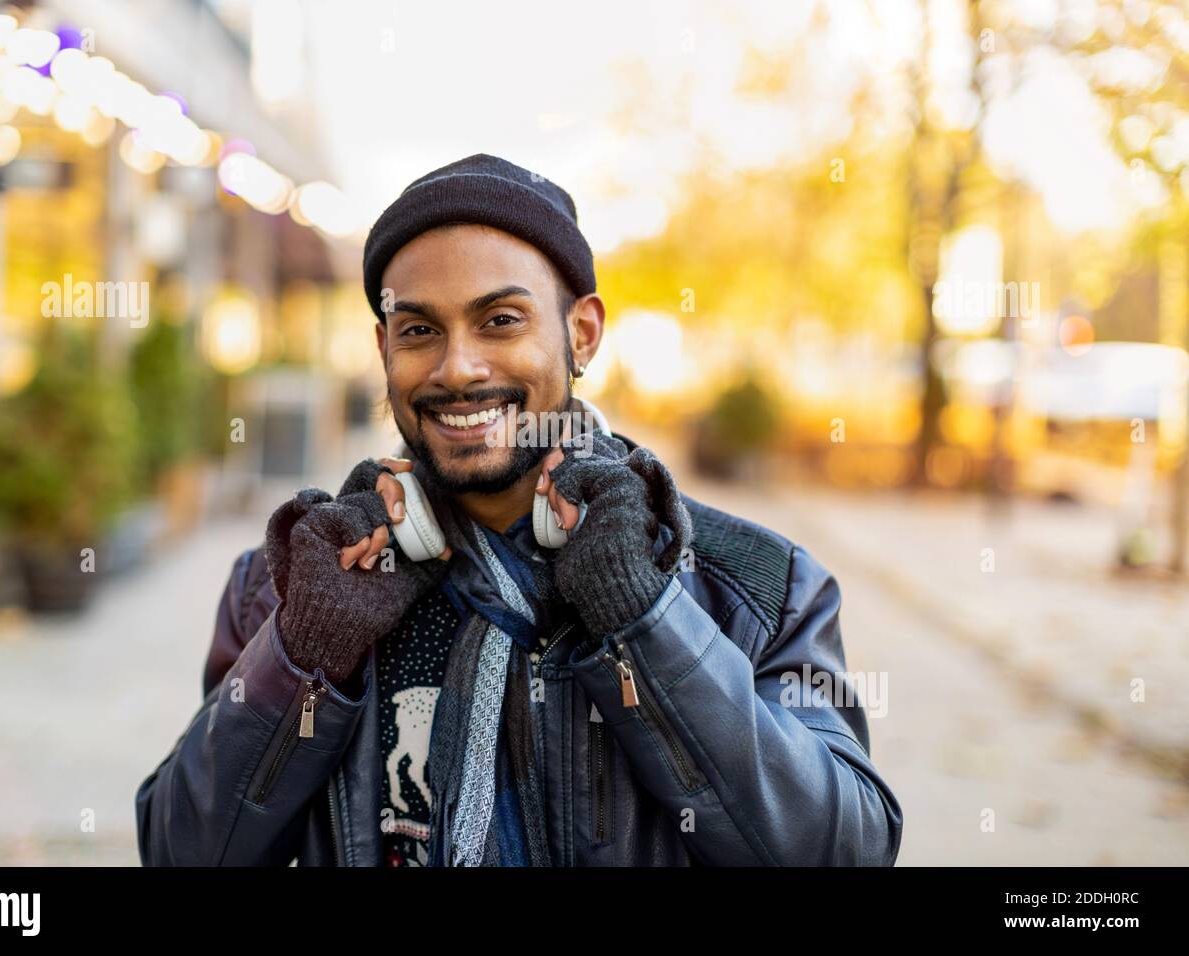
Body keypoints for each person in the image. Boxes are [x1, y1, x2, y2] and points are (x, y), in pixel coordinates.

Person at [135, 153, 903, 866]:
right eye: (419, 331)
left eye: (500, 320)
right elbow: (181, 850)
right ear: (383, 350)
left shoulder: (754, 589)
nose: (457, 367)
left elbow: (843, 850)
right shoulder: (287, 590)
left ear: (582, 332)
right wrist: (307, 654)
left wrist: (645, 618)